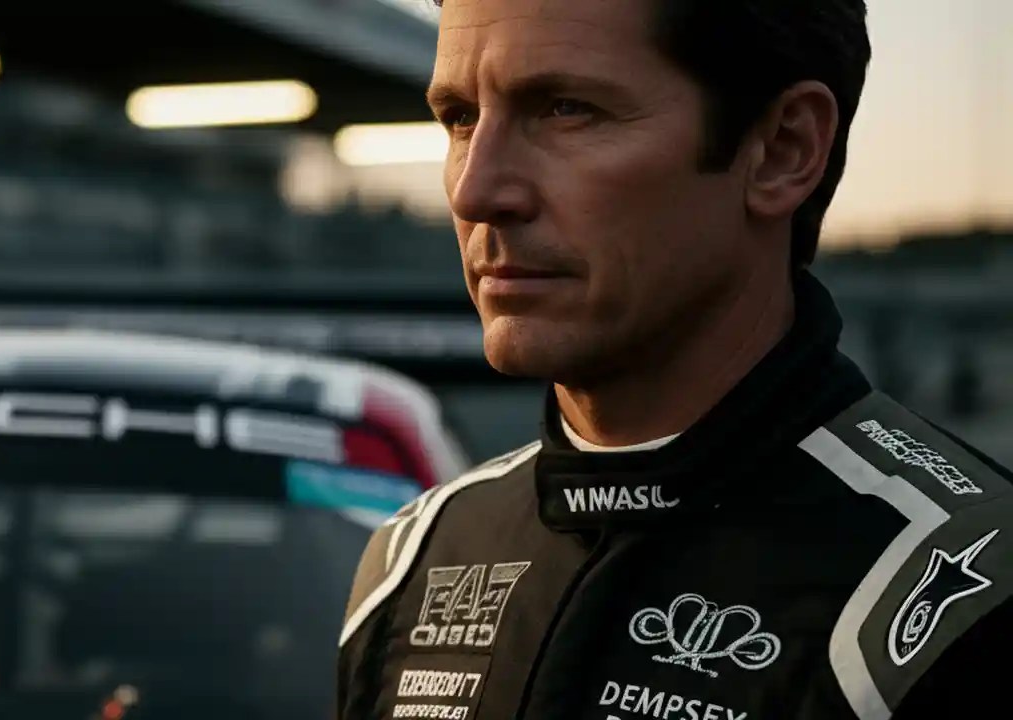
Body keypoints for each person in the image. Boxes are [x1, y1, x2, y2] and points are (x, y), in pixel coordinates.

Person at [335, 1, 1013, 719]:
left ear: (783, 150)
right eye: (460, 118)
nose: (476, 190)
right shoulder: (413, 560)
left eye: (566, 109)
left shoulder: (965, 591)